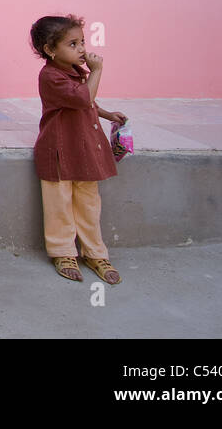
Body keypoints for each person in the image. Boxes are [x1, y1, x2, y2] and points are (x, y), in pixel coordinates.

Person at [30, 15, 129, 285]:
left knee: (88, 202)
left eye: (82, 42)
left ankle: (95, 253)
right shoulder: (50, 76)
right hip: (59, 150)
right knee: (59, 202)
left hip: (83, 148)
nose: (82, 49)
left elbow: (88, 102)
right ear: (50, 50)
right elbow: (83, 96)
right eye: (73, 44)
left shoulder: (75, 70)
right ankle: (63, 252)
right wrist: (97, 71)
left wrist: (108, 115)